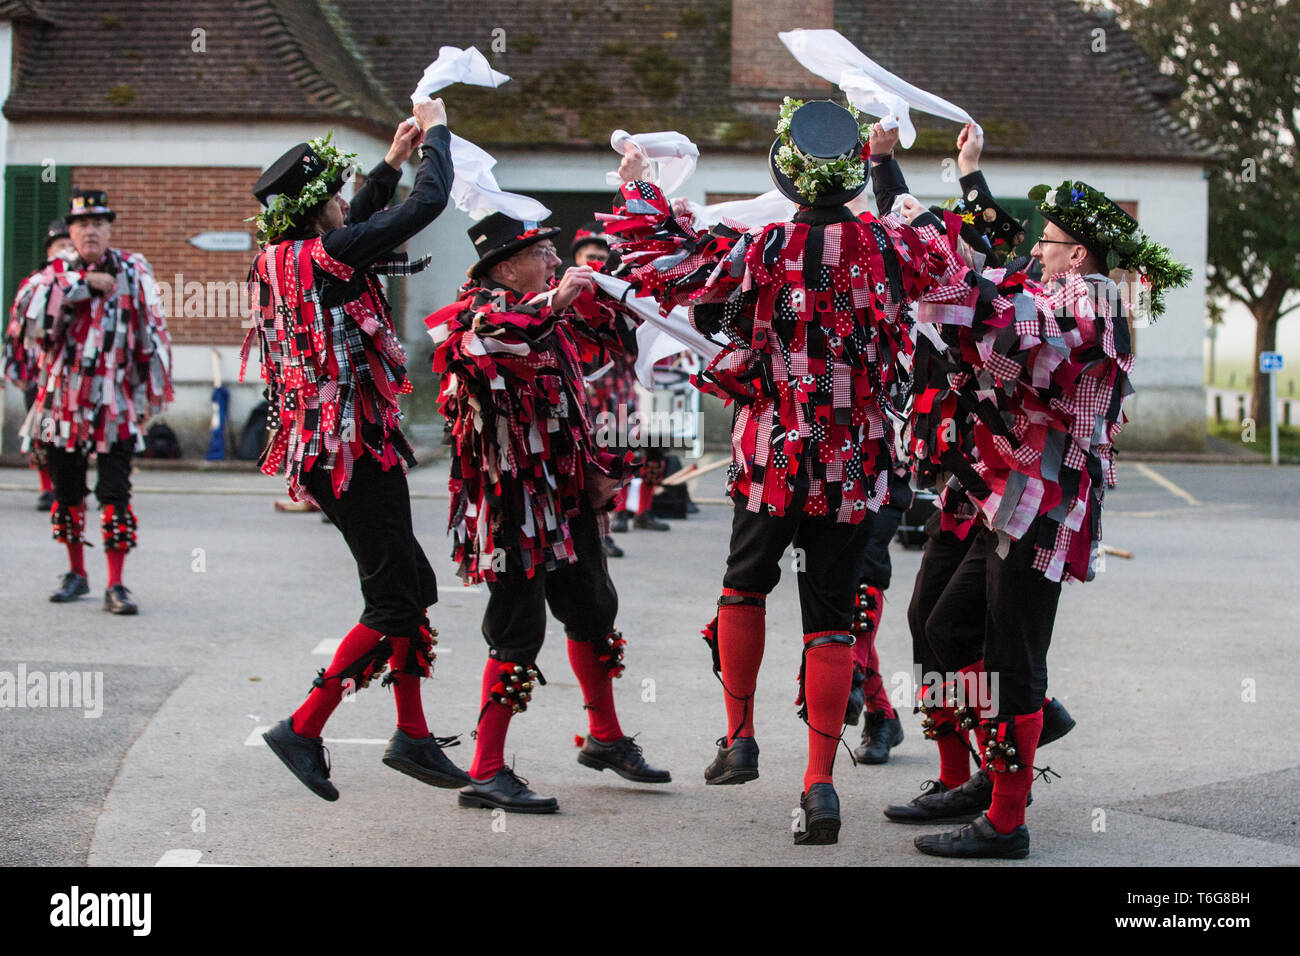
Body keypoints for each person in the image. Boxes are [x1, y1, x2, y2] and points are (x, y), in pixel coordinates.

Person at [606, 99, 968, 844]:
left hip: (772, 451)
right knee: (831, 618)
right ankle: (820, 785)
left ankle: (738, 736)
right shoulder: (892, 246)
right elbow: (954, 255)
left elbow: (661, 258)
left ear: (791, 178)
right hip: (854, 460)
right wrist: (887, 159)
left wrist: (637, 182)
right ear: (848, 179)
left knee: (745, 585)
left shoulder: (763, 247)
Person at [882, 124, 1190, 857]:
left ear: (1078, 253)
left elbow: (1007, 318)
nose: (1035, 249)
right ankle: (992, 768)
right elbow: (988, 267)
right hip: (1004, 494)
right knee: (949, 629)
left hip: (1047, 505)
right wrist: (930, 179)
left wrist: (927, 238)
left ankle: (1008, 821)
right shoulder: (1054, 286)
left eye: (1047, 241)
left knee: (1012, 659)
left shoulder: (1096, 304)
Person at [243, 100, 470, 802]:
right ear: (319, 212)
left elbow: (361, 224)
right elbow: (420, 208)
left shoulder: (280, 258)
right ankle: (304, 726)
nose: (348, 203)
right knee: (395, 597)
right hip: (350, 450)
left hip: (332, 447)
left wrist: (392, 158)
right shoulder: (332, 253)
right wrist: (436, 134)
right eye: (336, 197)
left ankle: (412, 734)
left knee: (410, 589)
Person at [428, 210, 671, 814]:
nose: (557, 263)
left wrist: (592, 469)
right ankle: (485, 771)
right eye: (543, 254)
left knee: (593, 606)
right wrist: (556, 303)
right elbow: (496, 339)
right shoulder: (474, 315)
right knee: (517, 629)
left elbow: (607, 352)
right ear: (506, 265)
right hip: (511, 504)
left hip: (563, 496)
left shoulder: (547, 311)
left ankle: (605, 738)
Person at [9, 193, 172, 614]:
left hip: (114, 407)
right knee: (67, 494)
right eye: (82, 224)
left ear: (109, 229)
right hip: (60, 409)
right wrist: (83, 285)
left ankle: (116, 585)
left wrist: (145, 396)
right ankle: (76, 573)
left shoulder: (134, 272)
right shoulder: (53, 274)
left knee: (115, 492)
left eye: (98, 223)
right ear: (71, 231)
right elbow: (28, 318)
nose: (90, 230)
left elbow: (149, 336)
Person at [4, 219, 74, 512]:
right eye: (61, 245)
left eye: (71, 246)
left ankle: (70, 486)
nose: (66, 251)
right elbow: (17, 330)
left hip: (74, 377)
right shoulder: (36, 285)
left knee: (72, 435)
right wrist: (15, 369)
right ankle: (47, 488)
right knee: (43, 434)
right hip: (40, 378)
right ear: (49, 251)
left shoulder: (84, 283)